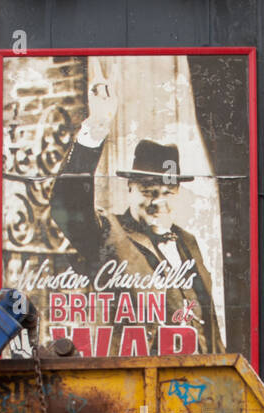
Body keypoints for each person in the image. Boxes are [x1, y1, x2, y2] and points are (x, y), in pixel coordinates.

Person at [49, 73, 220, 356]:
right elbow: (68, 205)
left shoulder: (188, 242)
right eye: (148, 190)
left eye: (167, 192)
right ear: (130, 187)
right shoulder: (107, 232)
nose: (158, 202)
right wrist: (97, 126)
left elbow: (210, 330)